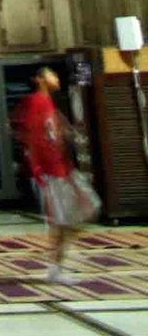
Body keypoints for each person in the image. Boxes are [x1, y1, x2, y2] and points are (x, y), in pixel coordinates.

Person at [15, 65, 100, 284]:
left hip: (63, 168)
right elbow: (31, 137)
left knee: (86, 209)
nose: (56, 78)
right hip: (52, 171)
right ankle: (56, 266)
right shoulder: (36, 101)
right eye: (52, 74)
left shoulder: (47, 102)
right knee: (65, 219)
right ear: (39, 79)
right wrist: (38, 169)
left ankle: (61, 256)